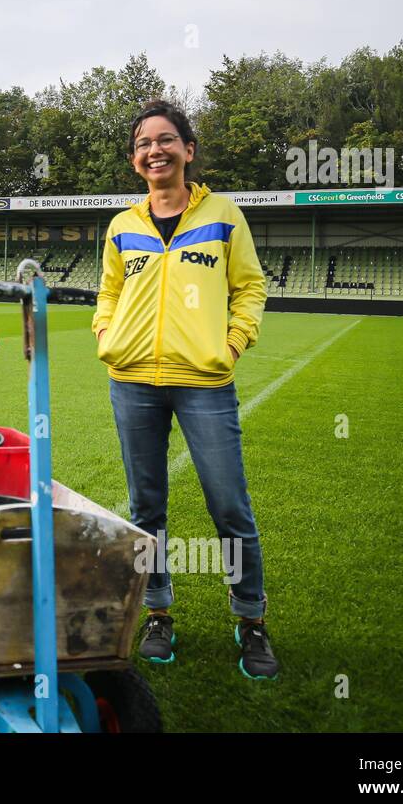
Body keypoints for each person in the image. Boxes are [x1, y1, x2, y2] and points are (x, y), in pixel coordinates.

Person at [92, 100, 278, 679]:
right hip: (133, 382)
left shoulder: (223, 215)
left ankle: (251, 623)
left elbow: (250, 287)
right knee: (147, 508)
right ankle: (158, 614)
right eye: (145, 143)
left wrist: (231, 345)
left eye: (167, 140)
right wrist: (106, 334)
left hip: (204, 382)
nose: (156, 150)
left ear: (188, 151)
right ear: (134, 160)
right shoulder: (123, 226)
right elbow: (108, 292)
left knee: (229, 505)